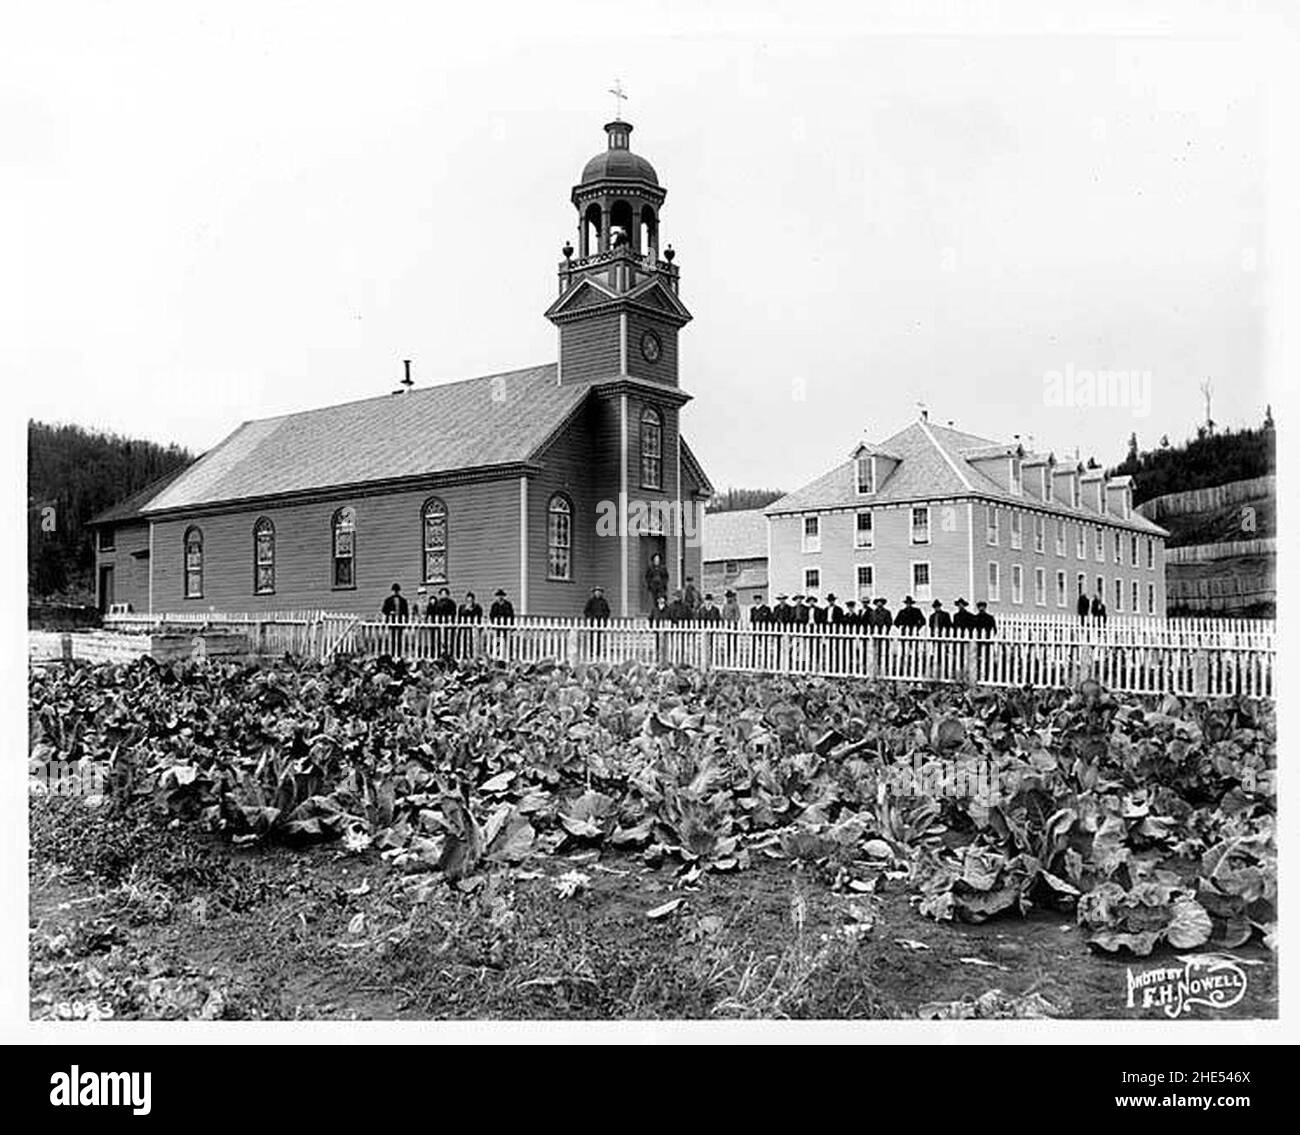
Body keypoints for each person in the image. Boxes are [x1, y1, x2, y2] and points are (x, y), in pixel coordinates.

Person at [381, 583, 409, 657]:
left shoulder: (403, 601)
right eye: (394, 591)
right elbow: (384, 612)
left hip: (400, 621)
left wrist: (405, 623)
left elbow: (406, 613)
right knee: (392, 638)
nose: (395, 592)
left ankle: (399, 654)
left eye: (397, 591)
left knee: (399, 639)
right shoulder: (388, 600)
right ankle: (393, 653)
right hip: (391, 621)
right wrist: (386, 622)